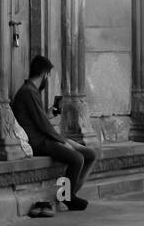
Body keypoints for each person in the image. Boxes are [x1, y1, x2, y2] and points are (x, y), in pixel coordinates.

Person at [10, 55, 95, 210]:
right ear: (44, 74)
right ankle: (66, 197)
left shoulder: (31, 91)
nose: (48, 80)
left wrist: (50, 113)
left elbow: (40, 119)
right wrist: (63, 142)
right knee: (77, 158)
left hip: (44, 138)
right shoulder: (28, 91)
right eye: (48, 76)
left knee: (89, 154)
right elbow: (42, 125)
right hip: (37, 142)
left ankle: (71, 193)